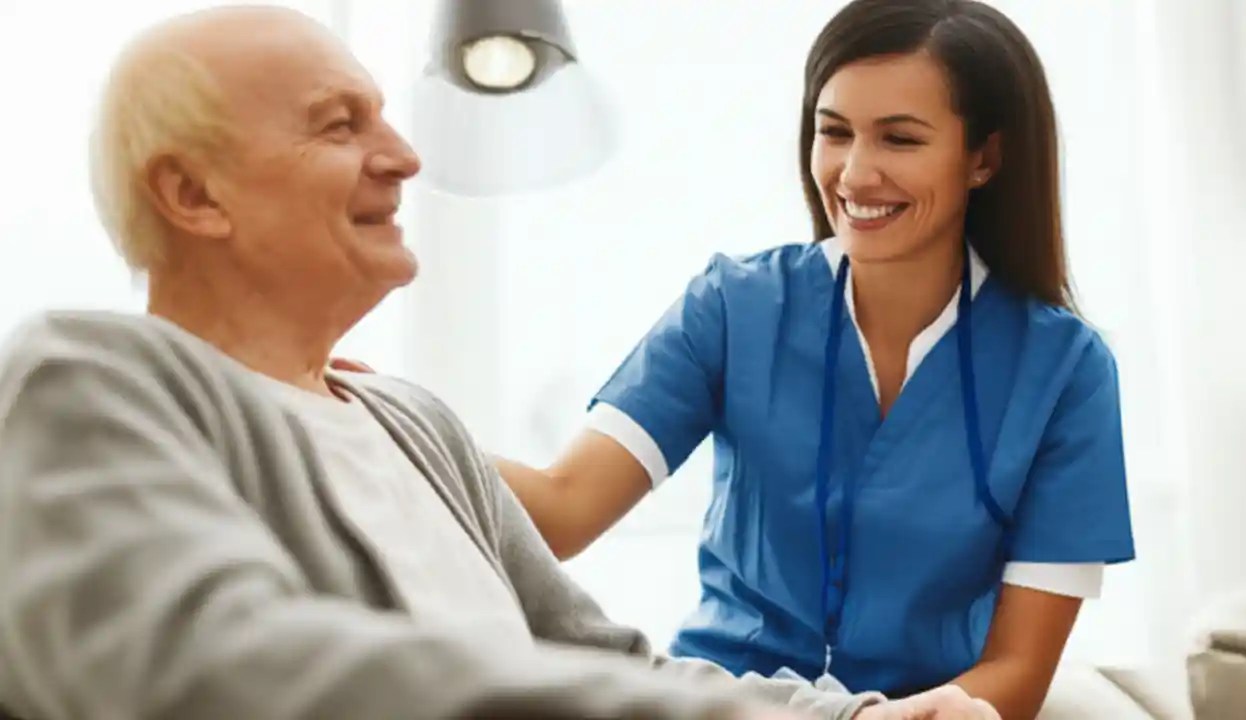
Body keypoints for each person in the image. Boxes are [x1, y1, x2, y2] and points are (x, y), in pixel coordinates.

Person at [0, 6, 1003, 720]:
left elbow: (610, 663)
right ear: (192, 194)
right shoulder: (85, 377)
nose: (402, 156)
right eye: (337, 125)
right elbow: (212, 673)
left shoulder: (414, 426)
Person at [494, 1, 1135, 718]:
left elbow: (1017, 671)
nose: (855, 175)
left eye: (900, 139)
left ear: (983, 157)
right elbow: (561, 508)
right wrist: (387, 417)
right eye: (834, 133)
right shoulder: (735, 308)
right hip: (724, 707)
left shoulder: (1065, 373)